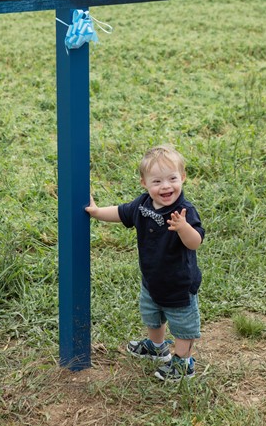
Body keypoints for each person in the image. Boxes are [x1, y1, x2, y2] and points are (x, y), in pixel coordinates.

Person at [86, 144, 205, 381]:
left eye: (172, 178)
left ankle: (183, 363)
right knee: (152, 314)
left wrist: (184, 228)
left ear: (182, 177)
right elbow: (121, 213)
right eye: (157, 181)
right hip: (151, 279)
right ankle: (156, 347)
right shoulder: (143, 205)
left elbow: (195, 242)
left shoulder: (184, 211)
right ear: (144, 183)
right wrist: (97, 212)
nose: (166, 186)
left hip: (179, 283)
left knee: (182, 324)